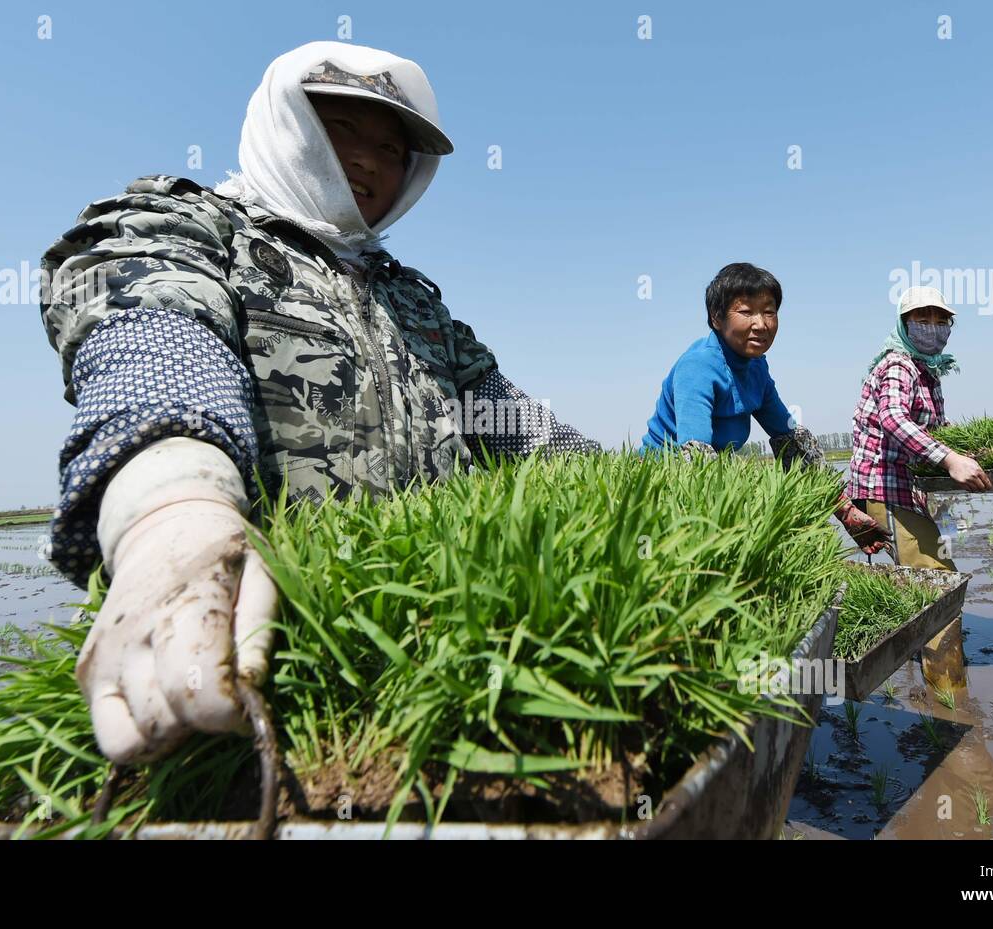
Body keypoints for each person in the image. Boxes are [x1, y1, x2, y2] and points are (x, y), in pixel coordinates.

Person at [37, 42, 598, 764]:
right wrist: (172, 500)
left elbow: (515, 423)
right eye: (341, 130)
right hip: (264, 637)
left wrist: (640, 481)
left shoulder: (412, 299)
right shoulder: (197, 230)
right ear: (285, 124)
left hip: (431, 648)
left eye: (392, 147)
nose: (368, 161)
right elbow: (154, 316)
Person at [641, 262, 891, 553]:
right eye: (746, 312)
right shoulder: (698, 367)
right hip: (660, 486)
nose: (761, 324)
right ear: (716, 318)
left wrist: (846, 512)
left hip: (711, 480)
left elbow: (792, 443)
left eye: (769, 311)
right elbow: (695, 462)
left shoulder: (755, 366)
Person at [846, 285, 991, 689]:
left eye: (940, 320)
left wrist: (976, 453)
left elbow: (933, 431)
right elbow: (893, 418)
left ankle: (929, 669)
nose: (931, 327)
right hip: (887, 488)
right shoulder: (898, 365)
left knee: (936, 570)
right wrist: (950, 460)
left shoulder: (928, 370)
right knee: (938, 585)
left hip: (911, 491)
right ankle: (950, 696)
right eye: (921, 319)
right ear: (904, 324)